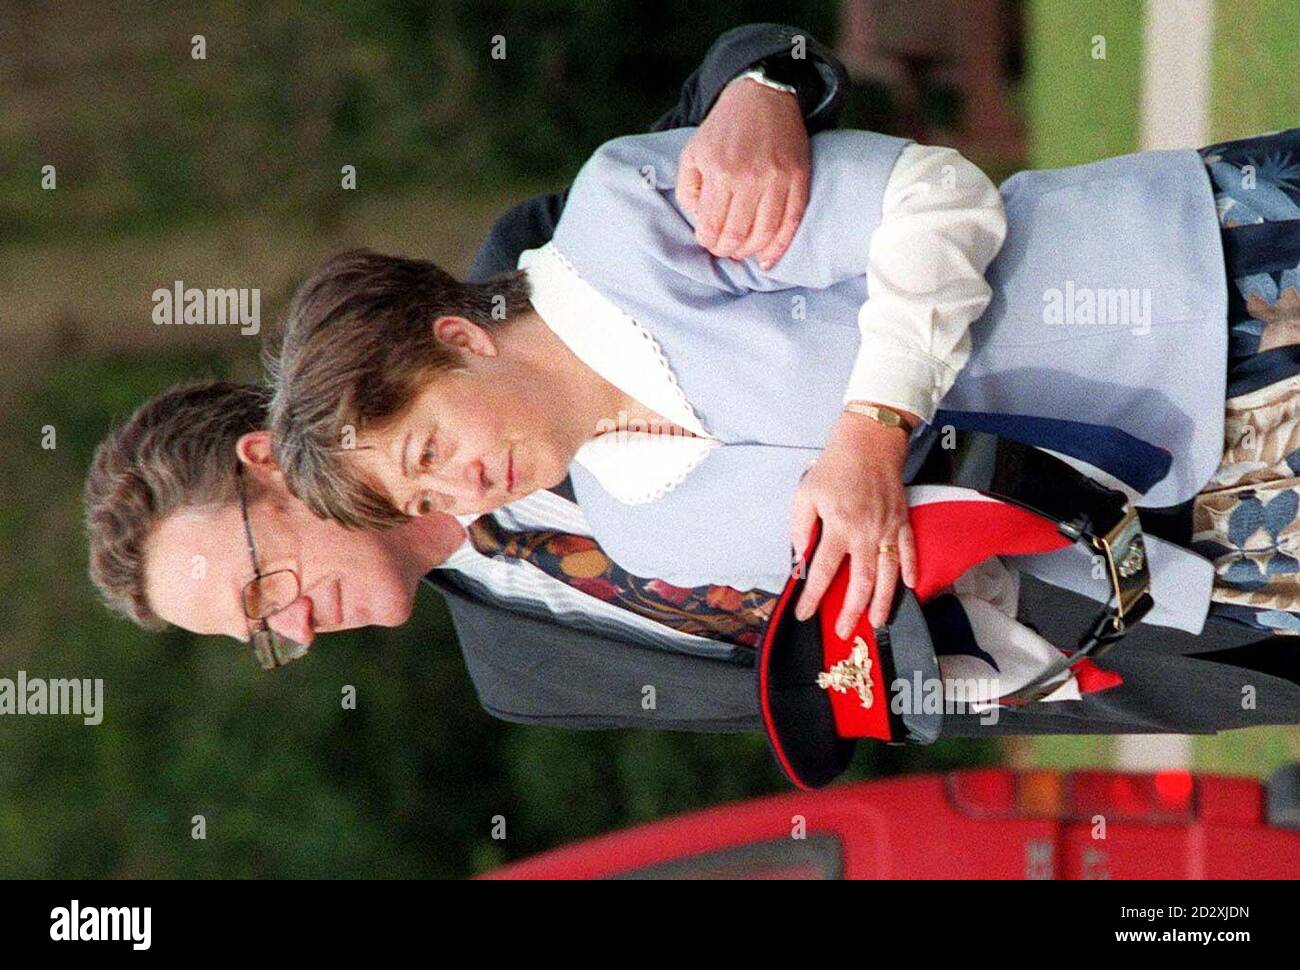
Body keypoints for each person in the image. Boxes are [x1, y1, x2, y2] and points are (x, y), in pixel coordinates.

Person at [83, 379, 1300, 738]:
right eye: (261, 636)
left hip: (1143, 428)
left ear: (265, 461)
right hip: (1179, 652)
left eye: (263, 588)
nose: (293, 628)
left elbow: (730, 102)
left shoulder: (499, 335)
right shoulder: (525, 678)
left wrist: (757, 91)